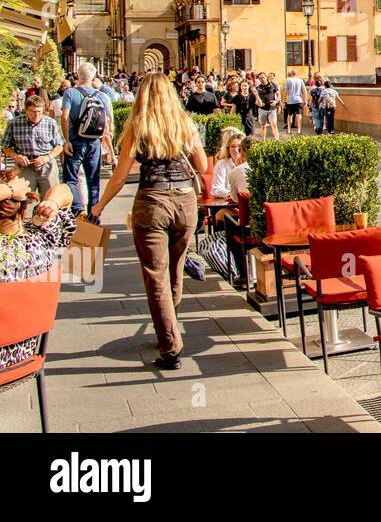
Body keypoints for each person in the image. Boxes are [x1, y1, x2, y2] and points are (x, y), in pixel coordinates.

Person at [91, 73, 207, 371]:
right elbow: (202, 165)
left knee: (155, 275)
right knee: (175, 270)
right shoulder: (184, 124)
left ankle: (170, 346)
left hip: (152, 201)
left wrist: (99, 206)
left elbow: (119, 176)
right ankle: (170, 329)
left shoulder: (138, 126)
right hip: (185, 201)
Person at [0, 173, 76, 373]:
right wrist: (50, 203)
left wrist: (8, 190)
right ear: (24, 209)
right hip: (25, 353)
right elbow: (66, 190)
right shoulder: (43, 240)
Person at [61, 63, 115, 217]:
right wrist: (108, 148)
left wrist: (66, 140)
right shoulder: (102, 96)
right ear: (93, 77)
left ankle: (78, 209)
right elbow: (106, 124)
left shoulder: (70, 93)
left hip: (75, 140)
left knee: (71, 178)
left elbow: (65, 116)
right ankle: (94, 216)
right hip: (95, 143)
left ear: (78, 76)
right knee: (93, 182)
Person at [2, 96, 64, 197]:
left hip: (46, 164)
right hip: (25, 166)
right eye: (33, 111)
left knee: (49, 199)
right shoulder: (14, 123)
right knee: (24, 200)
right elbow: (5, 147)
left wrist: (47, 158)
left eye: (39, 111)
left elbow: (59, 146)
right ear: (26, 110)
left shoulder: (50, 123)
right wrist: (16, 157)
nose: (36, 115)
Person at [209, 128, 249, 203]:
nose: (236, 149)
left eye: (239, 147)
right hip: (227, 203)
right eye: (233, 146)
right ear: (228, 148)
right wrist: (231, 195)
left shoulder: (249, 165)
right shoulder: (221, 164)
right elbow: (216, 189)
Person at [255, 72, 280, 141]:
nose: (262, 79)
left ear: (266, 77)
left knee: (274, 124)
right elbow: (255, 100)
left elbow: (278, 95)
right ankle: (263, 141)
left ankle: (277, 140)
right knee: (263, 125)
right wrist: (258, 103)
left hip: (272, 109)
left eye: (263, 77)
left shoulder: (273, 85)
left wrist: (276, 101)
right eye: (260, 78)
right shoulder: (258, 88)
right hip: (262, 109)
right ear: (259, 79)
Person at [283, 70, 305, 136]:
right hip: (298, 99)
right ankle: (299, 130)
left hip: (290, 100)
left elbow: (285, 91)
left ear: (290, 73)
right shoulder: (300, 80)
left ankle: (289, 129)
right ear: (296, 74)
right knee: (299, 115)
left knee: (289, 115)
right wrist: (305, 100)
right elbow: (304, 91)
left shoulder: (288, 80)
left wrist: (283, 100)